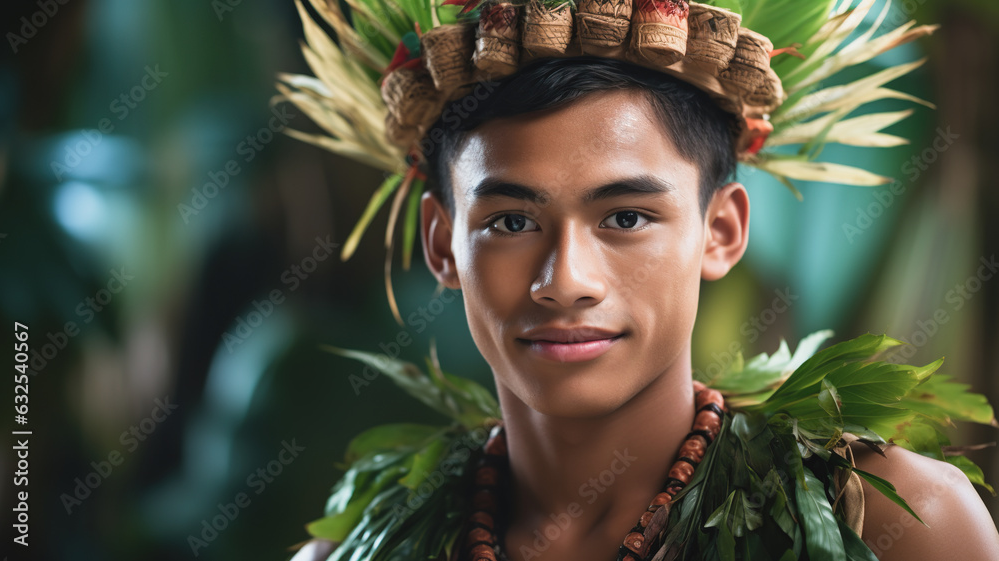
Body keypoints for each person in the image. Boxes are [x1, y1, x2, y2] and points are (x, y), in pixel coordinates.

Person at [277, 1, 999, 560]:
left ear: (721, 231)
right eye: (511, 222)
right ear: (443, 245)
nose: (566, 281)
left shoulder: (898, 523)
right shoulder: (349, 554)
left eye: (625, 217)